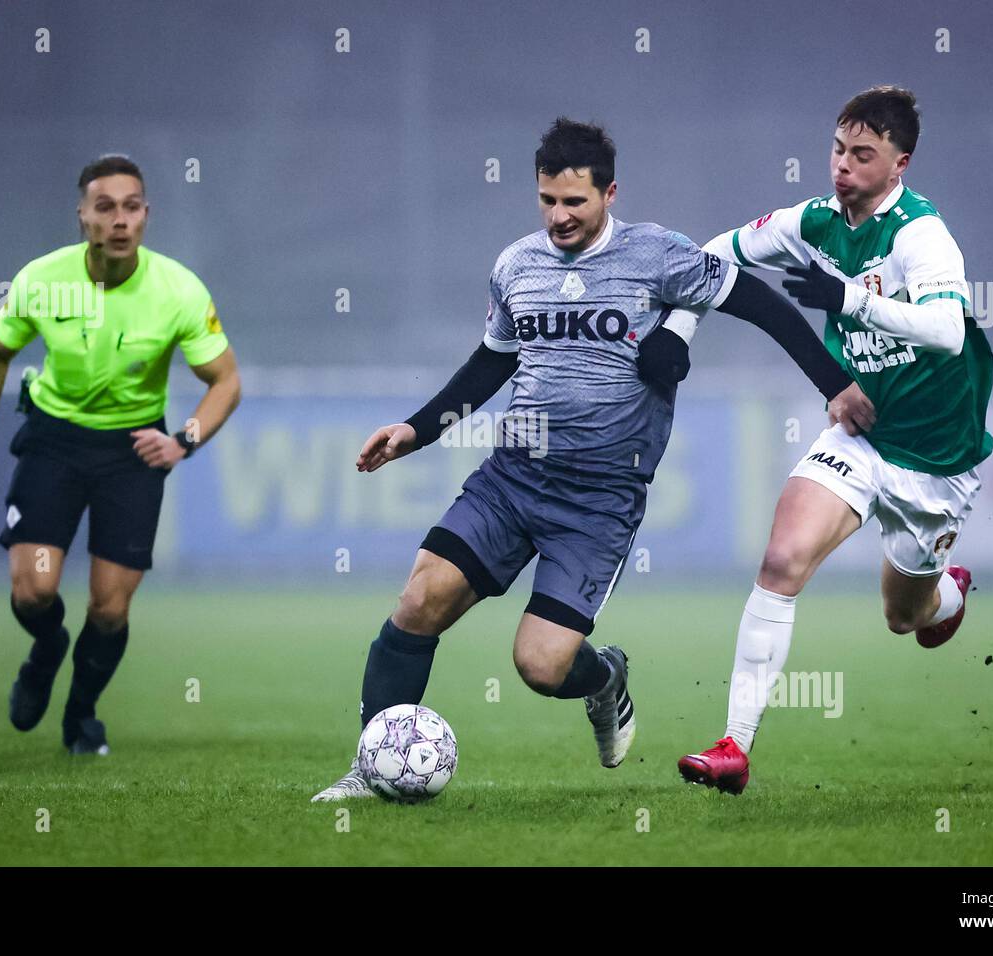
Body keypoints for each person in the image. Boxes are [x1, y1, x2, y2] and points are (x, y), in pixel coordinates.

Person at [312, 118, 873, 800]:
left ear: (610, 192)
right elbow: (493, 360)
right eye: (547, 200)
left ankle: (605, 678)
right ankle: (370, 772)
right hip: (512, 477)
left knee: (540, 666)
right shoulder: (517, 264)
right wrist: (417, 429)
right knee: (419, 600)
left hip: (599, 499)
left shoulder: (657, 256)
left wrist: (835, 384)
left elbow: (760, 304)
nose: (558, 216)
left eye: (574, 202)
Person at [676, 86, 993, 795]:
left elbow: (947, 331)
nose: (842, 166)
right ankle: (733, 746)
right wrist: (675, 322)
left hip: (938, 458)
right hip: (861, 435)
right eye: (838, 149)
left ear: (900, 163)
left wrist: (851, 300)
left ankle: (946, 595)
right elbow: (709, 258)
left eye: (863, 155)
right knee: (783, 556)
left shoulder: (920, 234)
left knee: (902, 615)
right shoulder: (812, 222)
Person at [0, 154, 241, 755]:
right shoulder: (41, 278)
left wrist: (183, 441)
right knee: (34, 590)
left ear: (145, 215)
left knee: (110, 608)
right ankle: (48, 649)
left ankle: (81, 715)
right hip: (54, 443)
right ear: (82, 215)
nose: (119, 220)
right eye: (104, 207)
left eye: (130, 207)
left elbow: (226, 381)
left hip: (133, 452)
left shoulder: (178, 289)